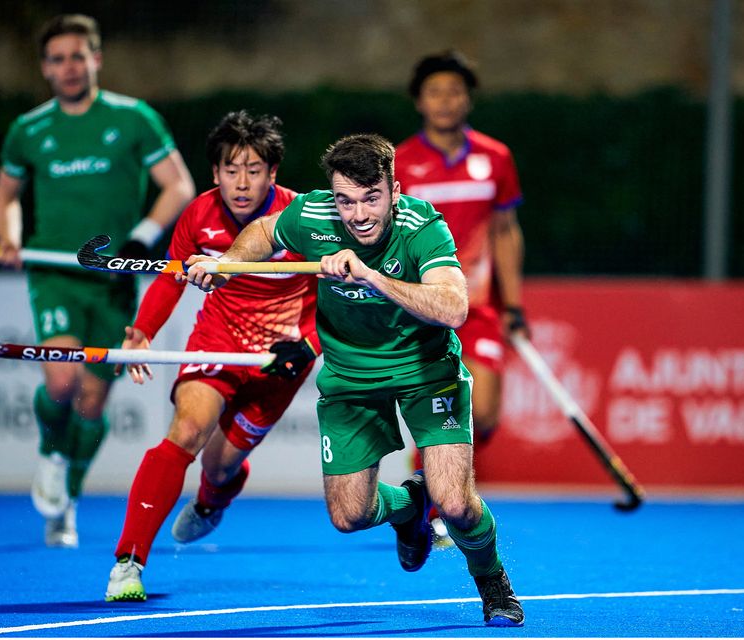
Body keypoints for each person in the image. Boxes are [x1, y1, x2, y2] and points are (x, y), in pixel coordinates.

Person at [185, 134, 524, 626]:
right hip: (350, 377)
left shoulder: (422, 226)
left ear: (394, 189)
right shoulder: (313, 215)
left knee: (456, 504)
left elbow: (454, 307)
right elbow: (264, 231)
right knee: (349, 516)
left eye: (372, 198)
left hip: (427, 373)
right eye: (346, 200)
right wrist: (227, 264)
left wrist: (372, 277)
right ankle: (409, 507)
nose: (359, 214)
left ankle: (492, 580)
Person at [0, 14, 196, 548]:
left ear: (96, 59)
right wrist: (8, 237)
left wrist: (141, 239)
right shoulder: (28, 130)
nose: (69, 67)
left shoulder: (134, 119)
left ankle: (67, 502)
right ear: (45, 68)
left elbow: (178, 185)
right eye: (57, 59)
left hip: (112, 278)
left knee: (91, 403)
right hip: (54, 275)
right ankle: (51, 454)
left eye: (78, 56)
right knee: (61, 381)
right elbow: (5, 197)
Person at [104, 111, 320, 602]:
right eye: (230, 170)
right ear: (215, 173)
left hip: (280, 362)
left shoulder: (303, 219)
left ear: (273, 173)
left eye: (253, 170)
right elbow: (169, 277)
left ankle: (211, 499)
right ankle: (129, 561)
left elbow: (335, 300)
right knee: (186, 431)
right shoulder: (198, 215)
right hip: (218, 342)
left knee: (221, 467)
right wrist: (141, 332)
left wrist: (308, 345)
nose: (241, 184)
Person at [394, 51, 530, 546]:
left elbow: (506, 231)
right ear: (419, 102)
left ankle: (426, 491)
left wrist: (512, 305)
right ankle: (435, 504)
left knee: (484, 413)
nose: (445, 101)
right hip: (421, 309)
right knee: (441, 402)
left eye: (454, 91)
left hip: (479, 307)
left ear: (468, 98)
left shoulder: (495, 157)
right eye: (435, 92)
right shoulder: (400, 163)